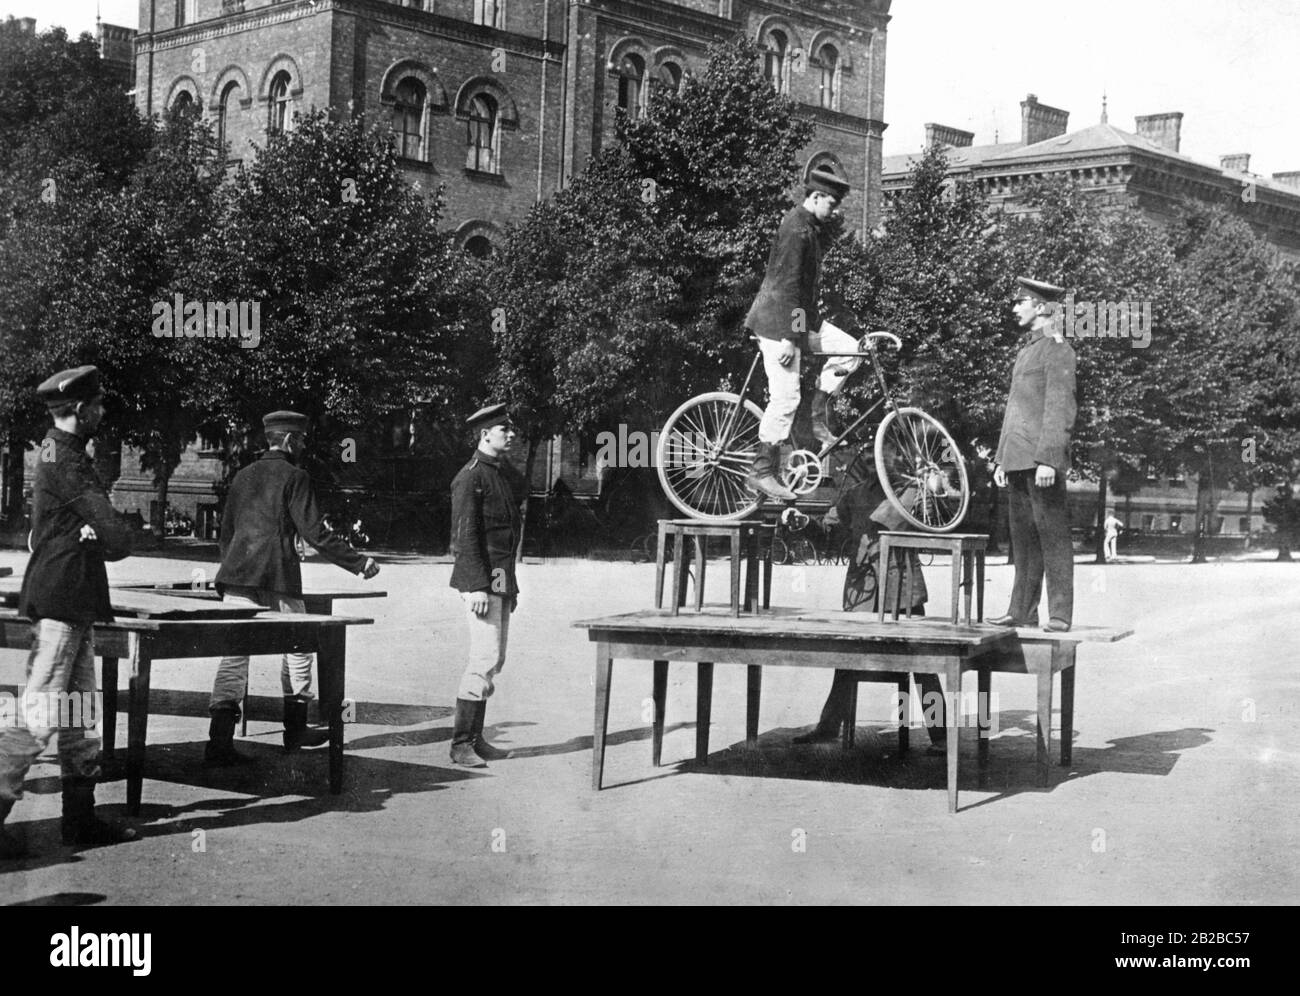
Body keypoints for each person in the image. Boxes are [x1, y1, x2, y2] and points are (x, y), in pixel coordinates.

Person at [0, 366, 138, 858]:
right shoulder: (70, 461)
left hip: (72, 597)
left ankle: (79, 819)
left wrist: (86, 534)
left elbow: (44, 532)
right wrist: (101, 533)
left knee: (80, 714)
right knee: (39, 713)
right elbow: (119, 536)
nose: (102, 411)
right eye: (97, 404)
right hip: (63, 598)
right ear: (80, 410)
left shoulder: (53, 450)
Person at [206, 411, 380, 766]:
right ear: (287, 440)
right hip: (278, 578)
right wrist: (359, 563)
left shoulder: (242, 476)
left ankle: (219, 741)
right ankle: (295, 731)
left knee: (234, 656)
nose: (302, 445)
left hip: (237, 576)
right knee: (299, 649)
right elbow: (316, 533)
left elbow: (226, 534)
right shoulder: (296, 476)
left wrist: (235, 567)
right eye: (300, 440)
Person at [792, 476, 947, 750]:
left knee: (923, 664)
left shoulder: (910, 488)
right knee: (846, 660)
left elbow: (932, 524)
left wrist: (932, 486)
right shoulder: (855, 493)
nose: (877, 457)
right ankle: (828, 727)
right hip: (862, 589)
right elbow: (829, 533)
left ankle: (941, 735)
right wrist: (805, 524)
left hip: (901, 588)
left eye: (886, 448)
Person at [744, 166, 863, 501]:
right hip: (777, 325)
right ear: (815, 197)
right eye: (832, 203)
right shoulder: (796, 230)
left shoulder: (808, 227)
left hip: (798, 323)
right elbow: (789, 288)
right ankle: (761, 471)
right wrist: (790, 338)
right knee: (786, 396)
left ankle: (818, 417)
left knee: (850, 349)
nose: (835, 210)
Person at [990, 277, 1077, 632]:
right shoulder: (1026, 351)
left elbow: (1060, 407)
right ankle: (1021, 610)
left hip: (1040, 461)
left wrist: (1050, 459)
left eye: (1020, 302)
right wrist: (1000, 458)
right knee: (1022, 540)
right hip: (1016, 459)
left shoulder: (1058, 349)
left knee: (1053, 537)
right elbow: (1015, 409)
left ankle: (1060, 614)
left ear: (1041, 307)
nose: (1014, 307)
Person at [448, 403, 525, 768]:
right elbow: (465, 538)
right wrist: (478, 586)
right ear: (485, 434)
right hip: (481, 582)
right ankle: (461, 744)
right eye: (504, 429)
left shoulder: (501, 475)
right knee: (482, 658)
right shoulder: (471, 477)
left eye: (511, 429)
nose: (511, 434)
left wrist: (509, 587)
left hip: (499, 580)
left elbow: (506, 540)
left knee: (495, 658)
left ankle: (476, 739)